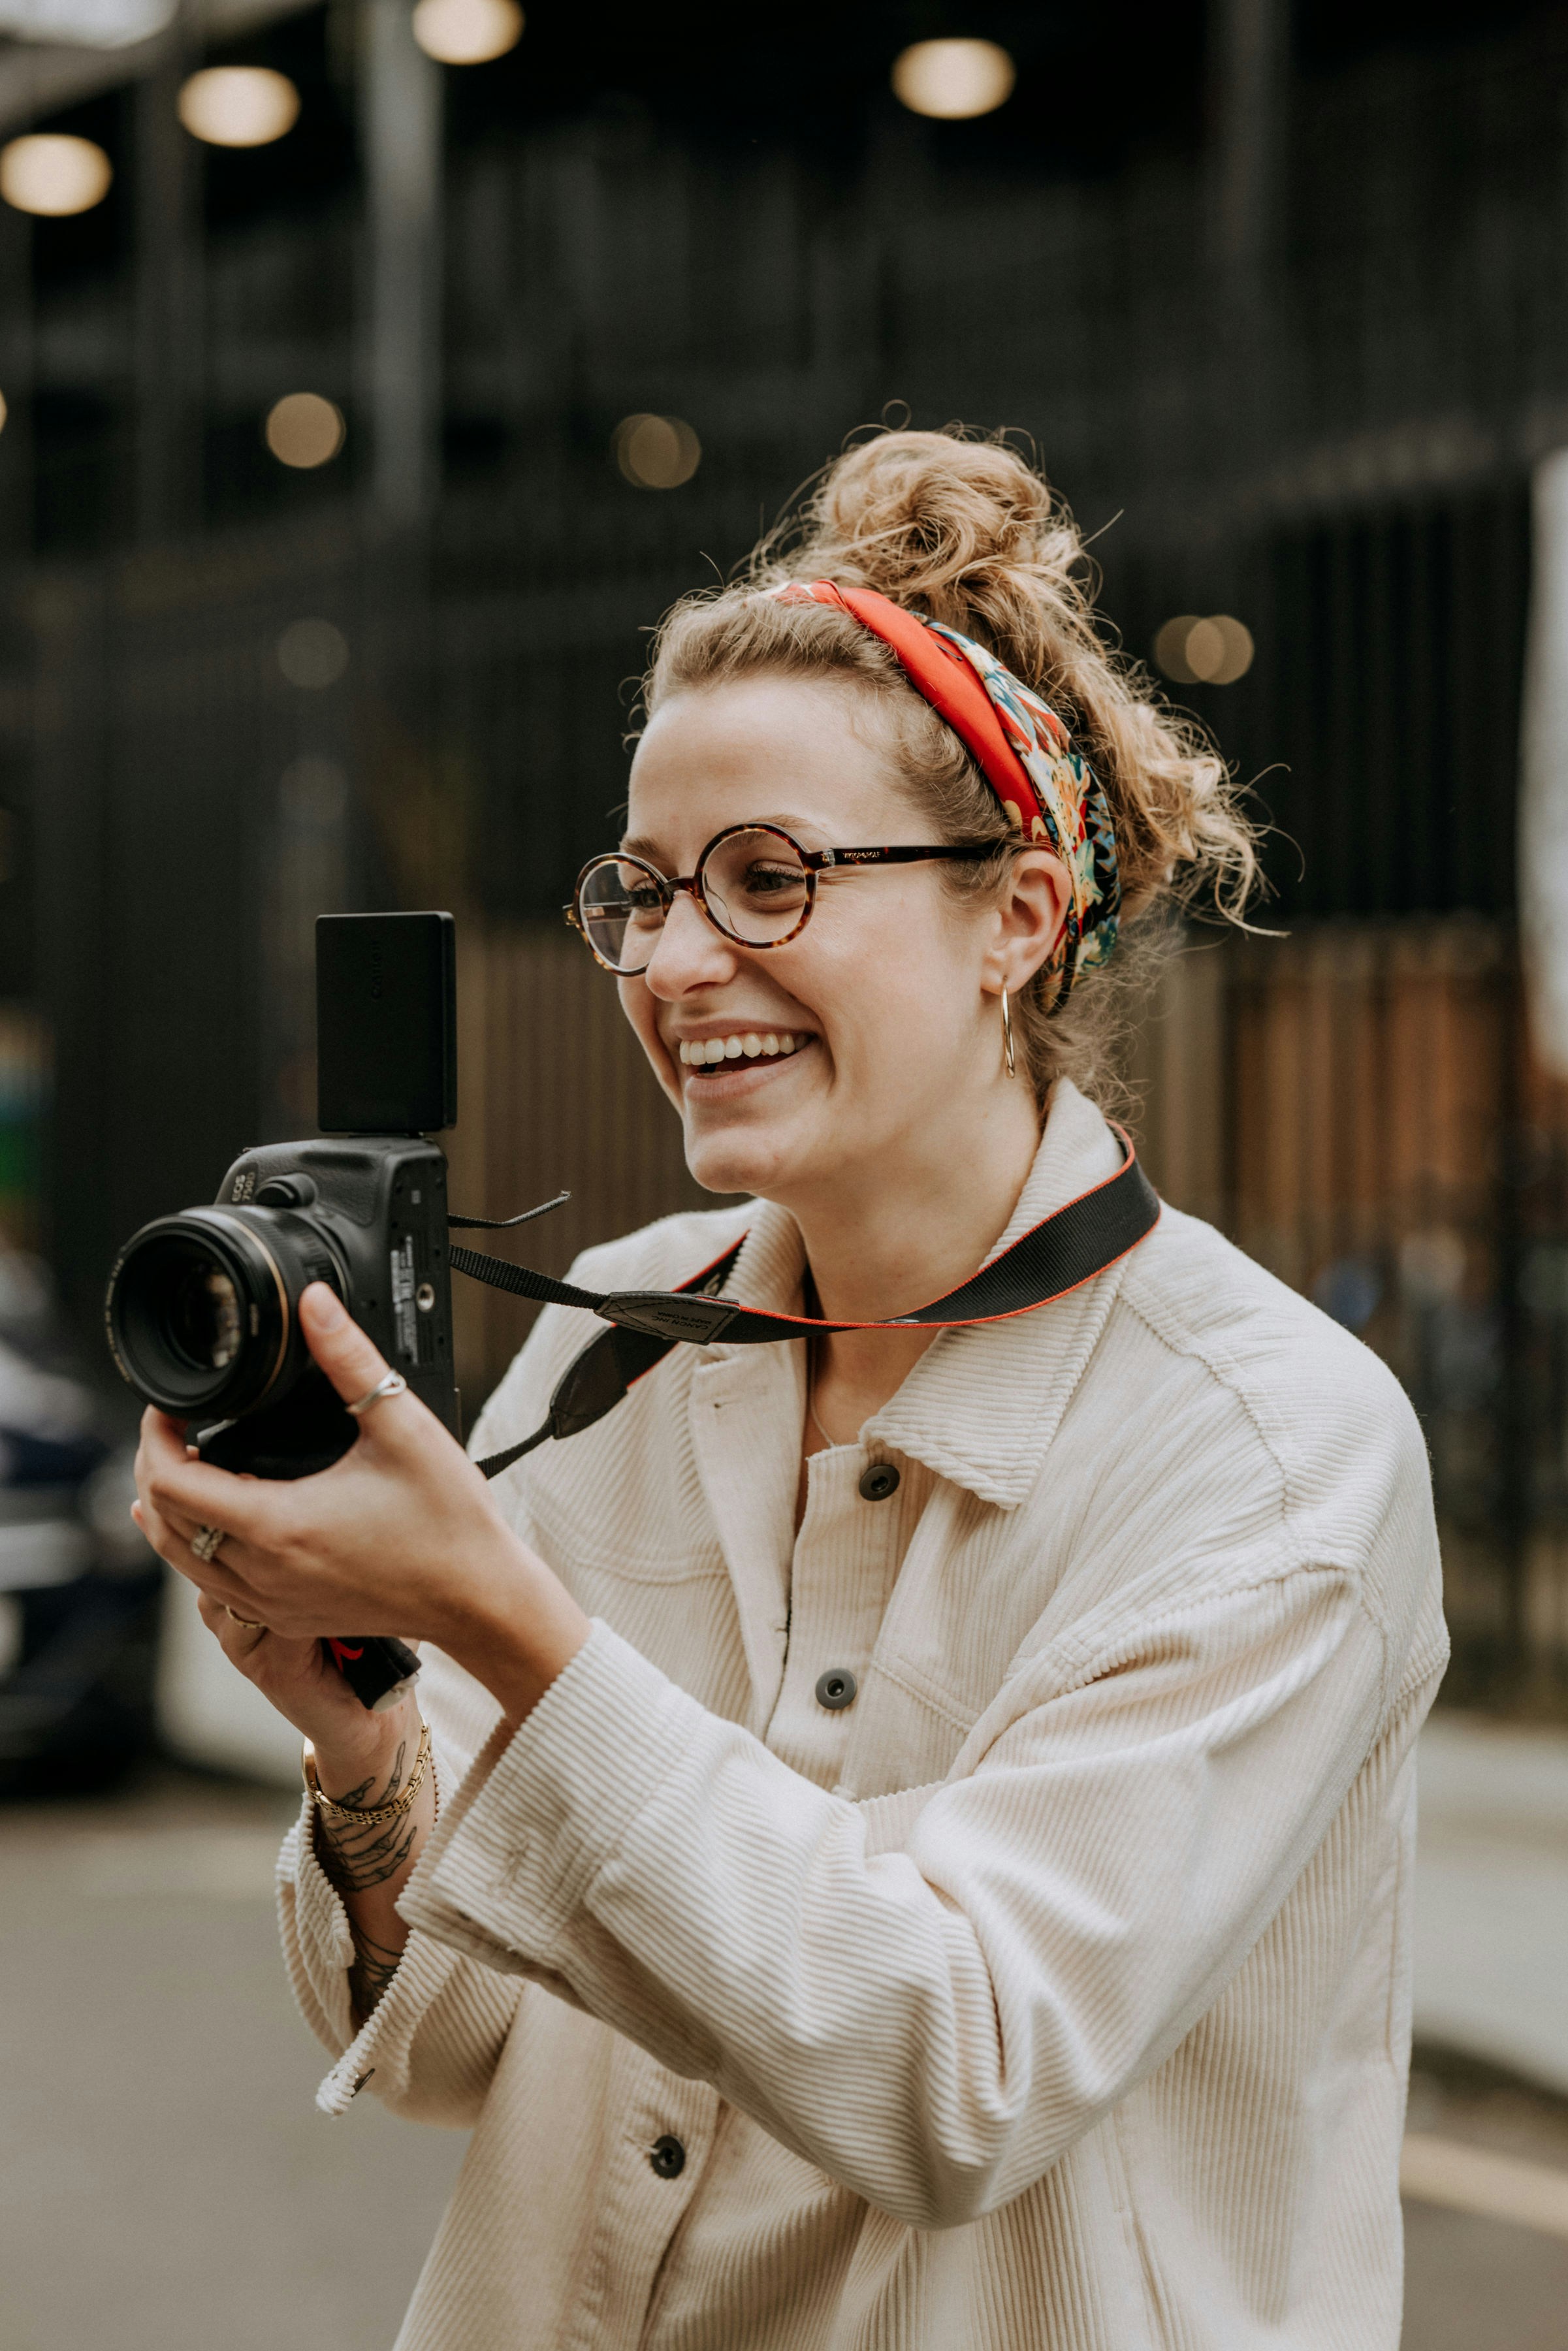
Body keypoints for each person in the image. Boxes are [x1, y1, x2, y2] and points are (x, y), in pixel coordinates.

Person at [135, 430, 1445, 2351]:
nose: (675, 960)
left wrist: (501, 1621)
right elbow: (453, 2045)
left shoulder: (1266, 1455)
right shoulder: (623, 1325)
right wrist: (354, 1740)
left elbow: (957, 2074)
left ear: (1016, 915)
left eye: (769, 880)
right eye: (642, 890)